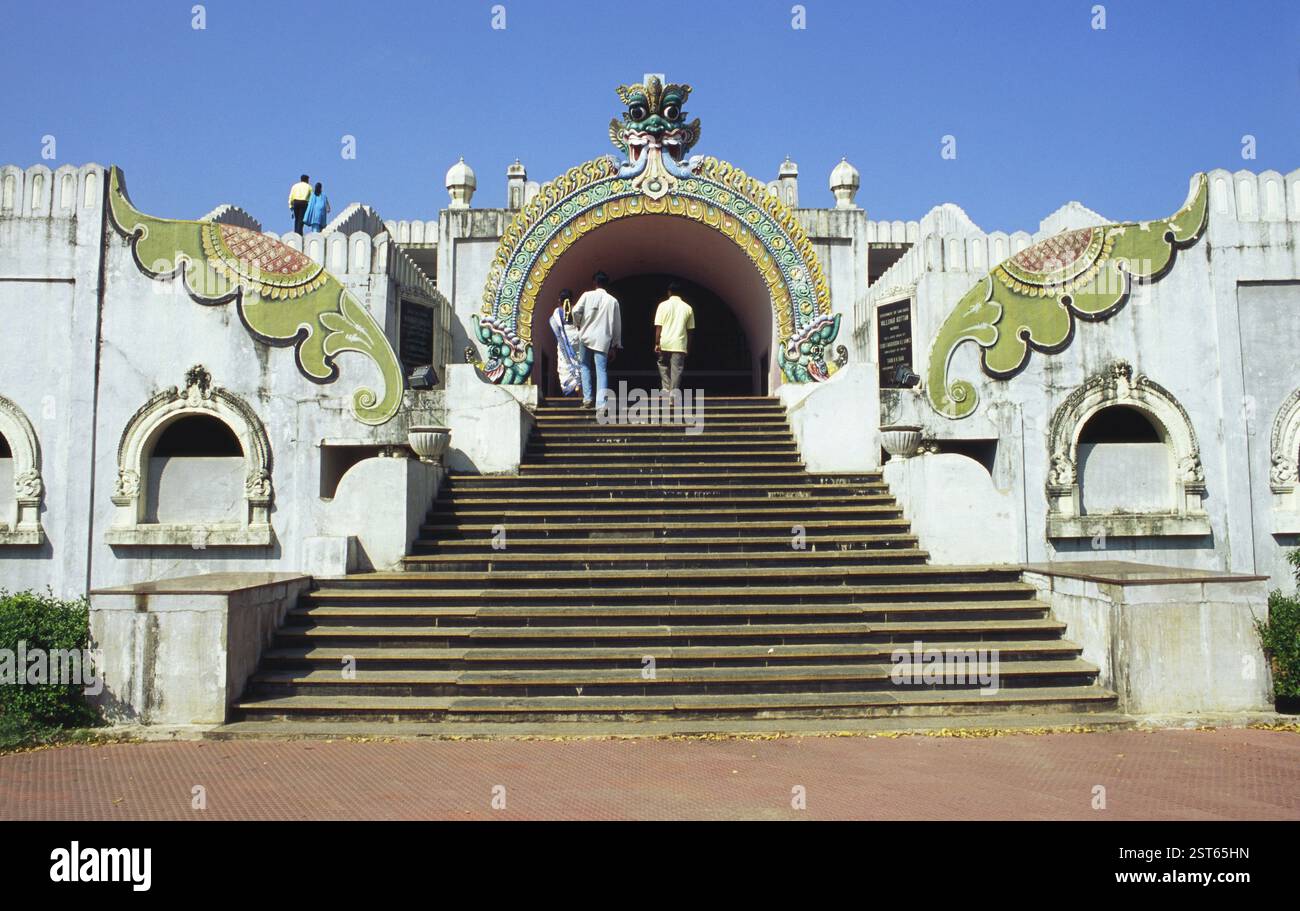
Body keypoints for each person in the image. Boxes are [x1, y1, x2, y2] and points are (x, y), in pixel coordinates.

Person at [571, 271, 622, 409]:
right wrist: (615, 344)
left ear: (594, 282)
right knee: (601, 370)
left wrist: (578, 324)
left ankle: (587, 399)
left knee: (585, 366)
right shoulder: (613, 301)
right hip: (603, 339)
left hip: (586, 336)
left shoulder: (587, 295)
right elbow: (617, 325)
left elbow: (575, 311)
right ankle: (601, 403)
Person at [654, 279, 694, 395]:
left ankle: (666, 389)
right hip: (679, 344)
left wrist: (657, 343)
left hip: (665, 342)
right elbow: (690, 330)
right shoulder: (688, 308)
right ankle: (673, 395)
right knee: (677, 370)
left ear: (669, 292)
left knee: (662, 364)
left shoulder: (662, 306)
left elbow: (658, 326)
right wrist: (688, 347)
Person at [549, 288, 582, 396]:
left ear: (560, 300)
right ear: (572, 299)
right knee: (578, 365)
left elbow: (555, 326)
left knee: (565, 367)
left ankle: (570, 392)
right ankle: (579, 389)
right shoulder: (576, 310)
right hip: (576, 341)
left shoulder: (557, 312)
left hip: (563, 341)